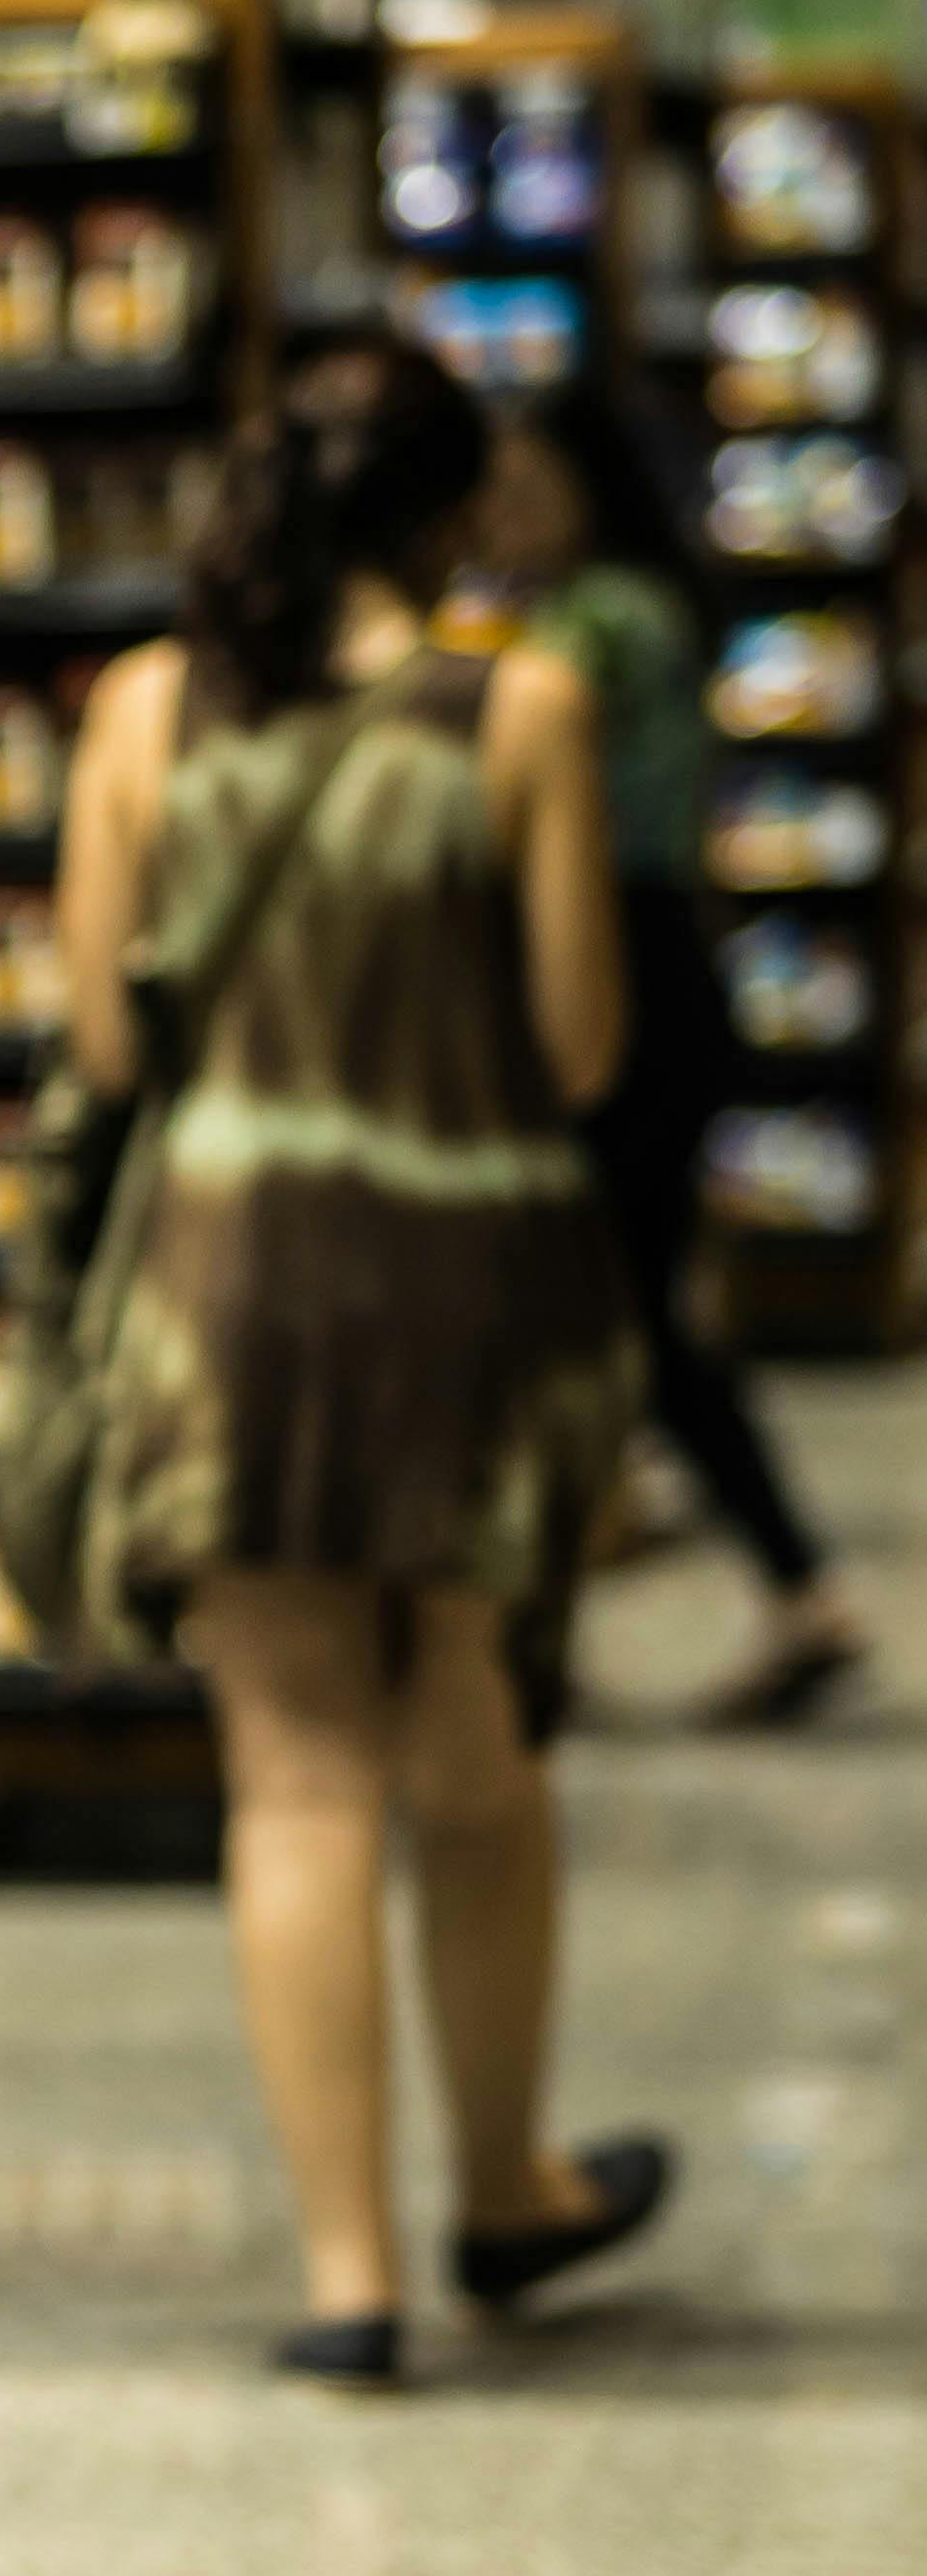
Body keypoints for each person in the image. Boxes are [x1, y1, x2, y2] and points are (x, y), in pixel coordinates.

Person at [52, 341, 666, 2383]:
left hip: (227, 1296)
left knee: (293, 1780)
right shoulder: (523, 713)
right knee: (477, 1772)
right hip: (470, 1286)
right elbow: (579, 1045)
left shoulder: (149, 712)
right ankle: (506, 2188)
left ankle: (345, 2275)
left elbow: (111, 1045)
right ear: (456, 509)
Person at [472, 379, 867, 1725]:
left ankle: (763, 1588)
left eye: (523, 490)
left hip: (628, 977)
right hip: (657, 975)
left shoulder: (593, 629)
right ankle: (703, 1590)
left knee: (612, 1310)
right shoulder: (626, 612)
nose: (500, 520)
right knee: (622, 1312)